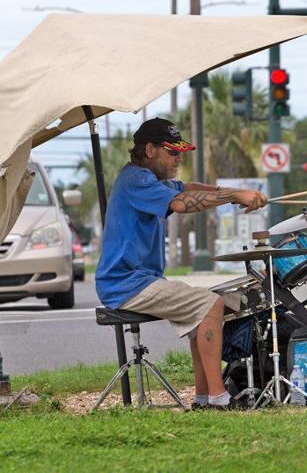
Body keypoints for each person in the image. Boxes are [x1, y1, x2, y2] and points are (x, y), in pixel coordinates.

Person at [95, 117, 267, 410]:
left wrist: (227, 193)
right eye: (173, 152)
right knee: (210, 304)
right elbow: (181, 203)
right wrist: (234, 195)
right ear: (150, 150)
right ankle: (217, 399)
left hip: (139, 280)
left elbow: (186, 188)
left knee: (206, 309)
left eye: (181, 153)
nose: (179, 158)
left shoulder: (150, 179)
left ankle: (204, 398)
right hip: (125, 283)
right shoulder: (136, 179)